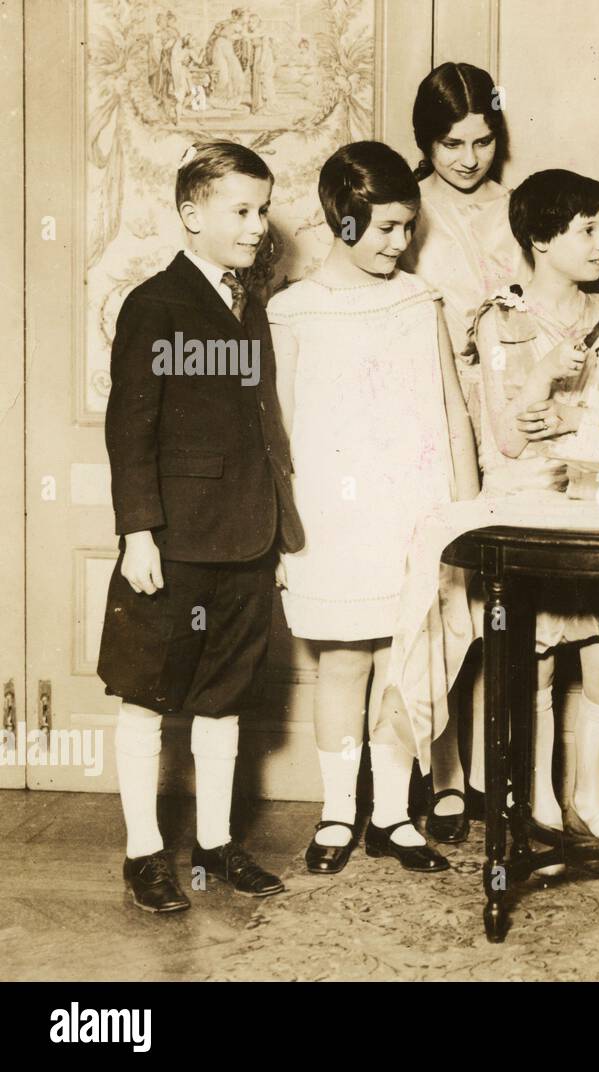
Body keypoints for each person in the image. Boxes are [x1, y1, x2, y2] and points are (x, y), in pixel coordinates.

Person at [98, 141, 302, 913]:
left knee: (225, 697)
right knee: (147, 697)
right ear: (193, 215)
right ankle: (144, 852)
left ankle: (215, 845)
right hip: (173, 540)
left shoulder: (248, 304)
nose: (257, 228)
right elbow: (131, 428)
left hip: (247, 536)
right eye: (240, 212)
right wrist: (138, 532)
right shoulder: (155, 303)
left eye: (262, 210)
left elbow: (261, 423)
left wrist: (278, 530)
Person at [268, 142, 479, 876]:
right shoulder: (293, 312)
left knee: (403, 663)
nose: (399, 242)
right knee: (344, 661)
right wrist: (287, 530)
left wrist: (462, 512)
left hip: (412, 511)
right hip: (331, 518)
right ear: (342, 218)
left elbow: (453, 410)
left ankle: (392, 814)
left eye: (407, 227)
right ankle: (337, 813)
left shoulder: (419, 301)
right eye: (385, 227)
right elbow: (282, 431)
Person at [473, 169, 599, 842]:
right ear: (542, 240)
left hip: (598, 503)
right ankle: (538, 797)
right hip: (529, 511)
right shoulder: (499, 320)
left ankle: (591, 798)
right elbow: (510, 436)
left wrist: (573, 419)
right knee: (535, 662)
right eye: (587, 231)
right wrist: (544, 378)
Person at [405, 62, 524, 842]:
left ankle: (497, 774)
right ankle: (443, 779)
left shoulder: (520, 208)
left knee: (506, 602)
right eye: (451, 143)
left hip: (511, 417)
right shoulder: (403, 208)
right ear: (427, 140)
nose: (468, 157)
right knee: (444, 599)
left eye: (482, 140)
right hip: (430, 411)